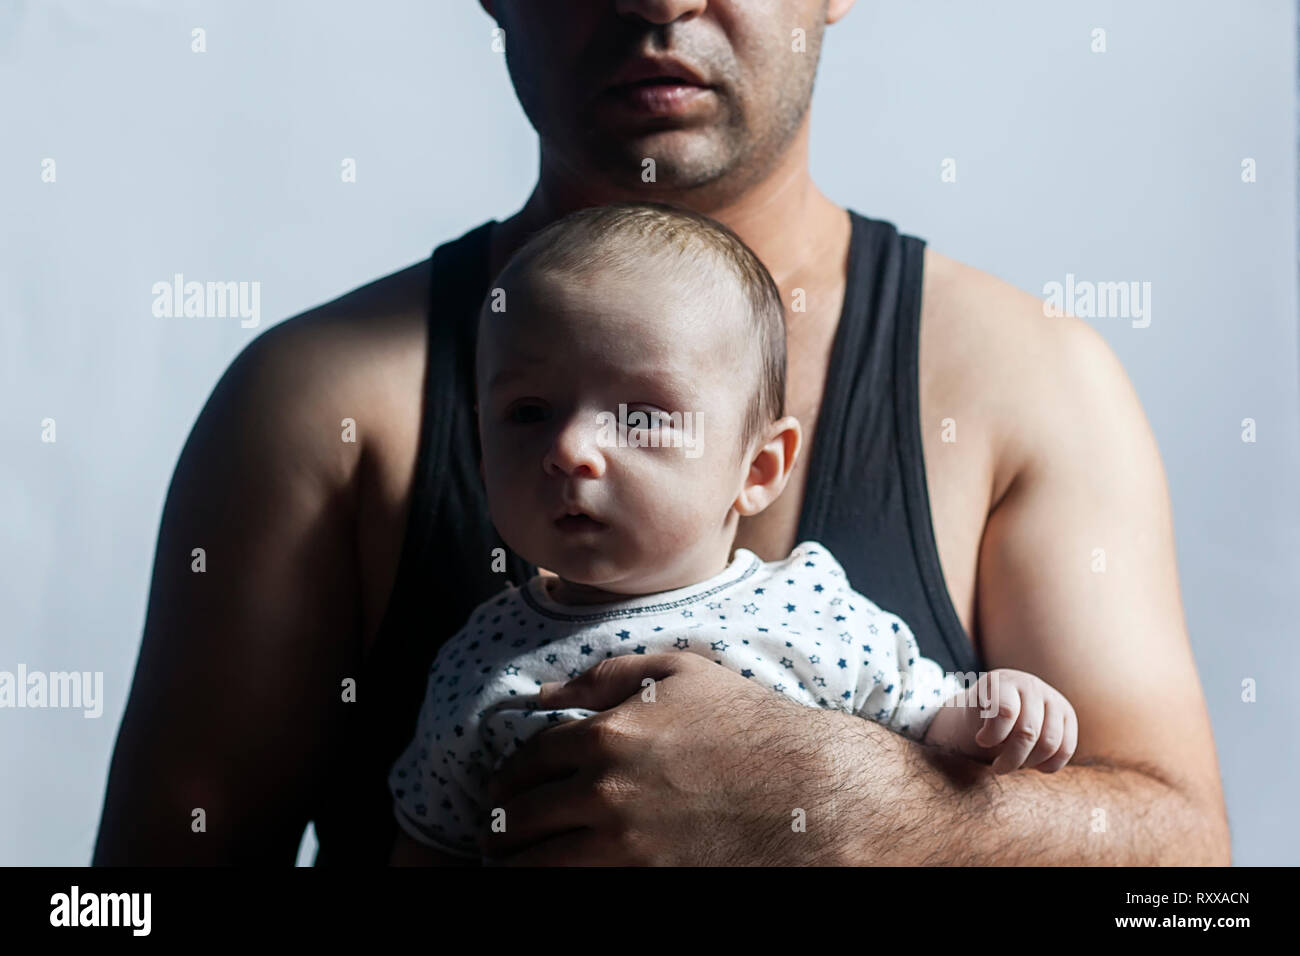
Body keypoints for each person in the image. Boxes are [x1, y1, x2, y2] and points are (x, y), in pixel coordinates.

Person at [93, 0, 1230, 866]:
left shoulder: (1031, 379)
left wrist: (855, 808)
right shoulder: (317, 404)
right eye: (530, 414)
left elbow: (1192, 890)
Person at [389, 201, 1079, 864]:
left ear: (758, 466)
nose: (569, 448)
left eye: (640, 417)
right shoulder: (480, 656)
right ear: (480, 451)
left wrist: (998, 709)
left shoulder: (811, 610)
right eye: (528, 411)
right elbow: (432, 844)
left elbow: (930, 726)